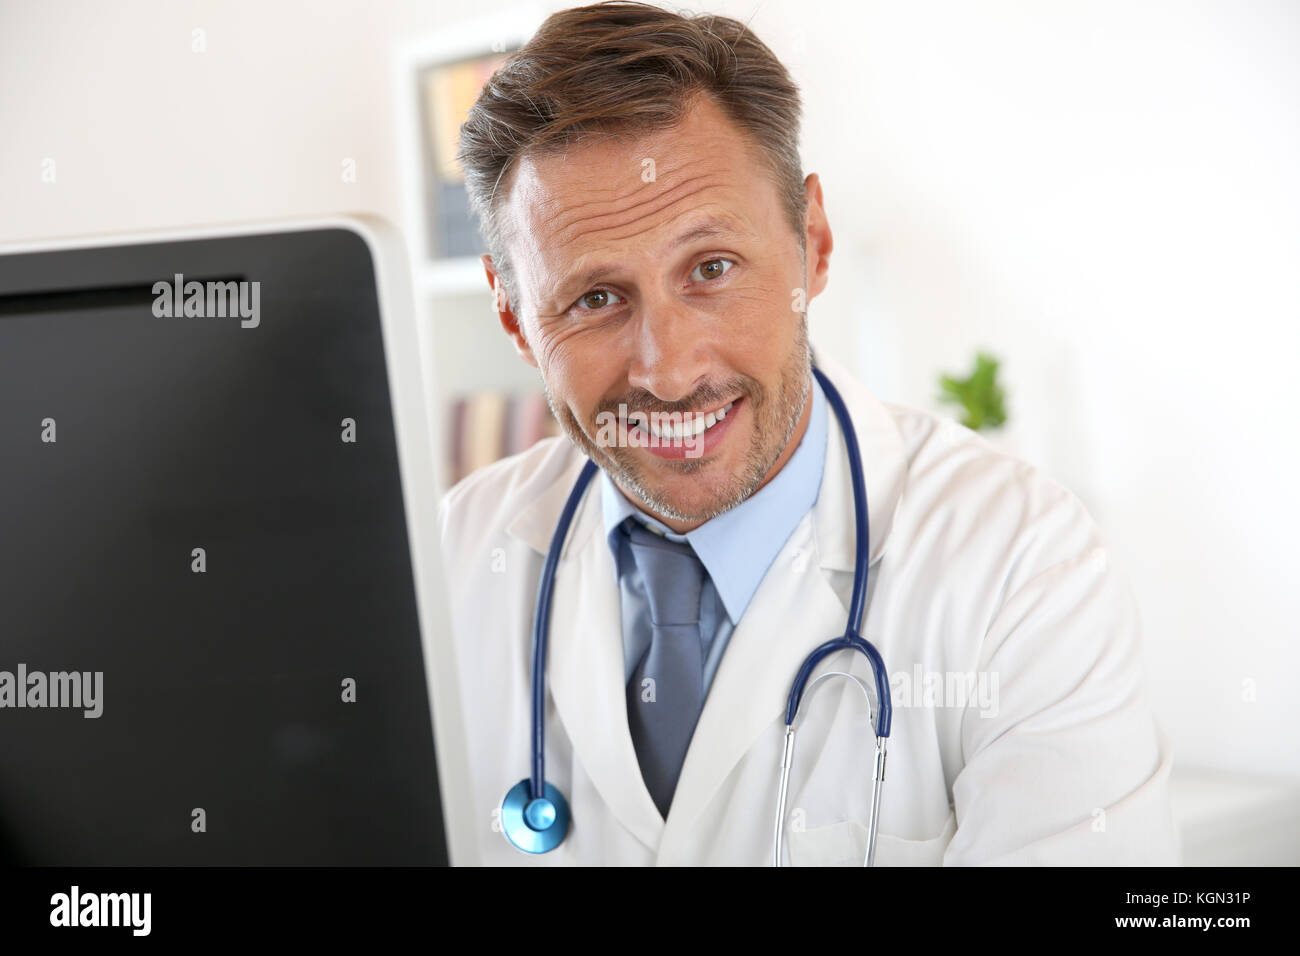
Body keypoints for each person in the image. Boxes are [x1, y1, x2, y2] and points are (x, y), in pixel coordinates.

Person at [437, 0, 1180, 865]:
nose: (668, 371)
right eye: (594, 298)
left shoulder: (1021, 567)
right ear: (517, 317)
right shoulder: (451, 562)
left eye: (711, 269)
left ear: (812, 243)